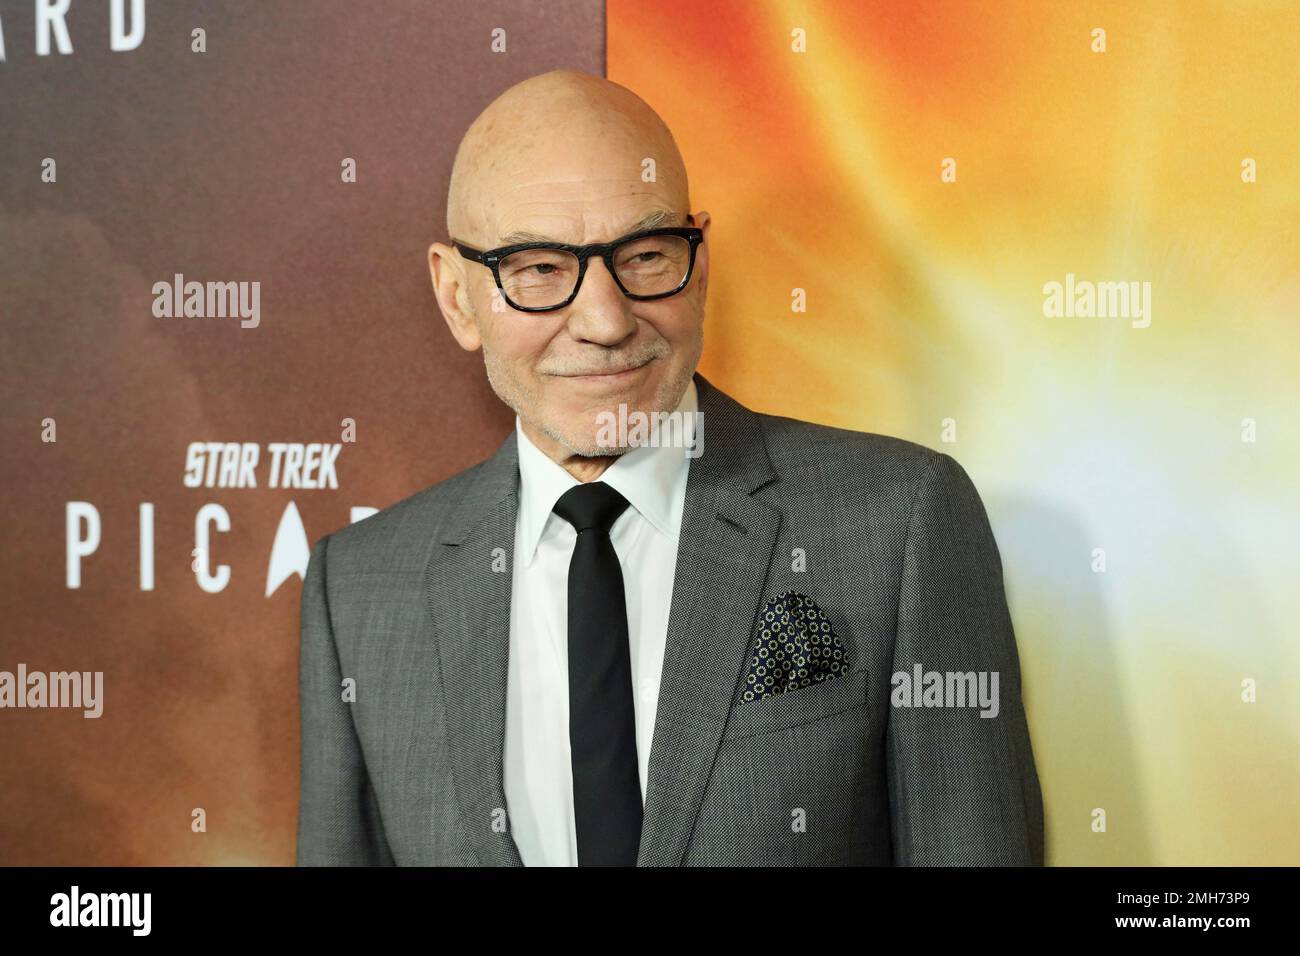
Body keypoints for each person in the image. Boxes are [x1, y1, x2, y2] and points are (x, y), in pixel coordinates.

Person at [296, 69, 1043, 866]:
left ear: (702, 259)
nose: (606, 319)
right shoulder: (363, 588)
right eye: (540, 269)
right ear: (456, 297)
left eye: (646, 255)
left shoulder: (899, 524)